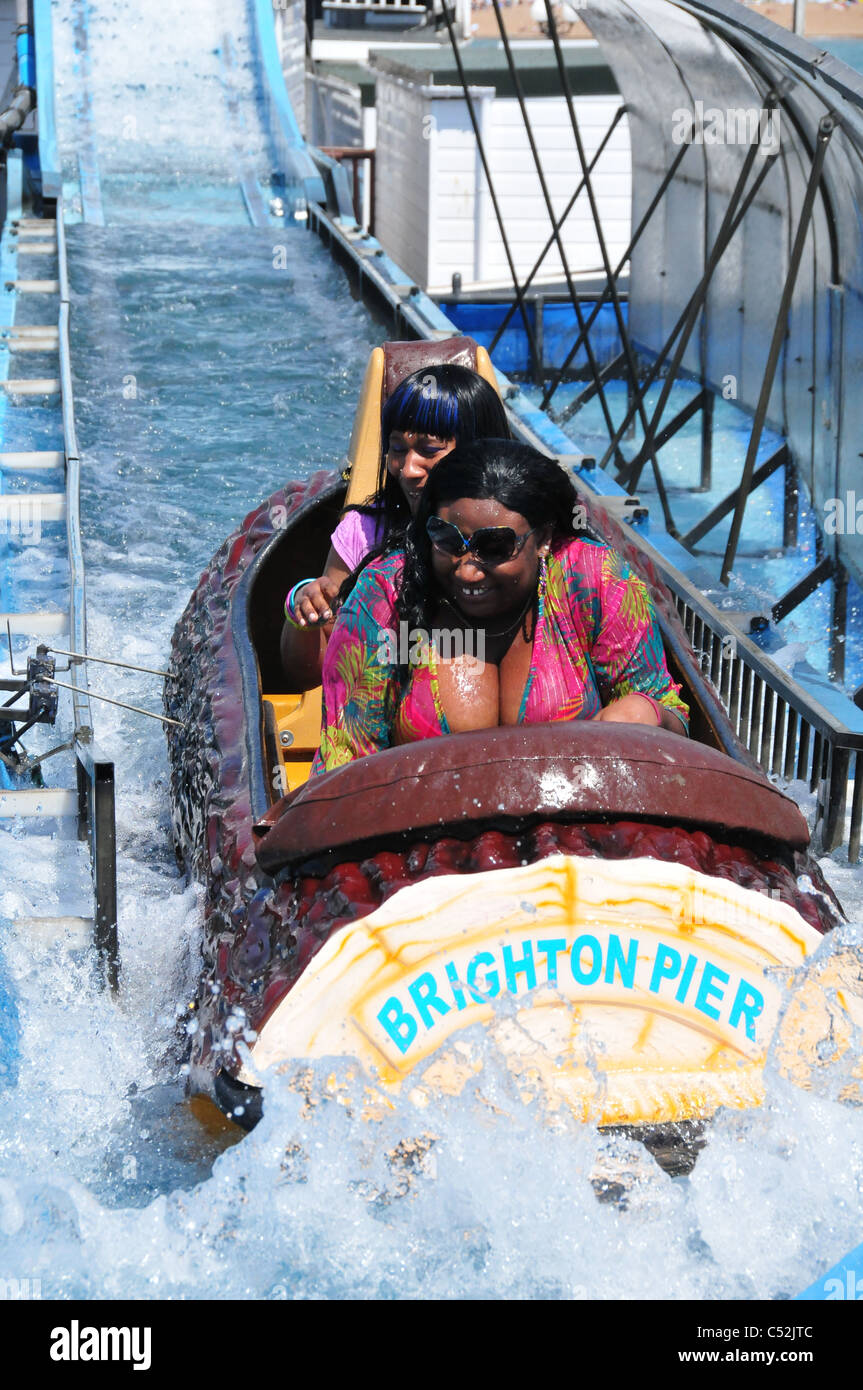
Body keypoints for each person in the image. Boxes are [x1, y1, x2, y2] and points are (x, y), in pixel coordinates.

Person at [313, 439, 688, 774]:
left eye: (494, 548)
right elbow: (347, 757)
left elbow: (671, 712)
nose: (468, 570)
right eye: (447, 539)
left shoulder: (593, 579)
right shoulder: (387, 594)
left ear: (542, 539)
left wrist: (648, 713)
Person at [280, 364, 510, 689]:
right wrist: (302, 608)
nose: (409, 470)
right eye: (398, 449)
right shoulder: (365, 534)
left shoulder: (518, 531)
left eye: (430, 450)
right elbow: (313, 673)